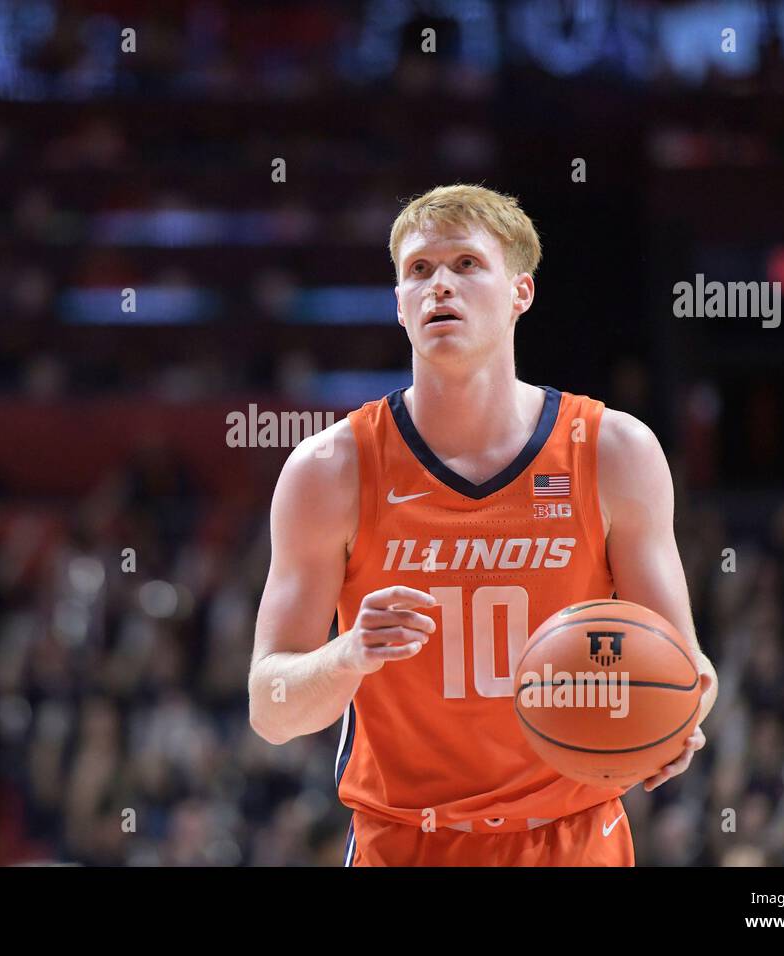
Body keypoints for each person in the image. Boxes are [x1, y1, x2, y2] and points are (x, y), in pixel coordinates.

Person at [248, 184, 717, 866]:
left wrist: (677, 717)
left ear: (520, 291)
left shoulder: (615, 452)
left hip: (574, 835)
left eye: (466, 264)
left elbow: (687, 665)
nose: (440, 284)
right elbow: (271, 706)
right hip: (407, 840)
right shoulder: (328, 469)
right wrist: (350, 653)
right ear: (399, 306)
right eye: (419, 270)